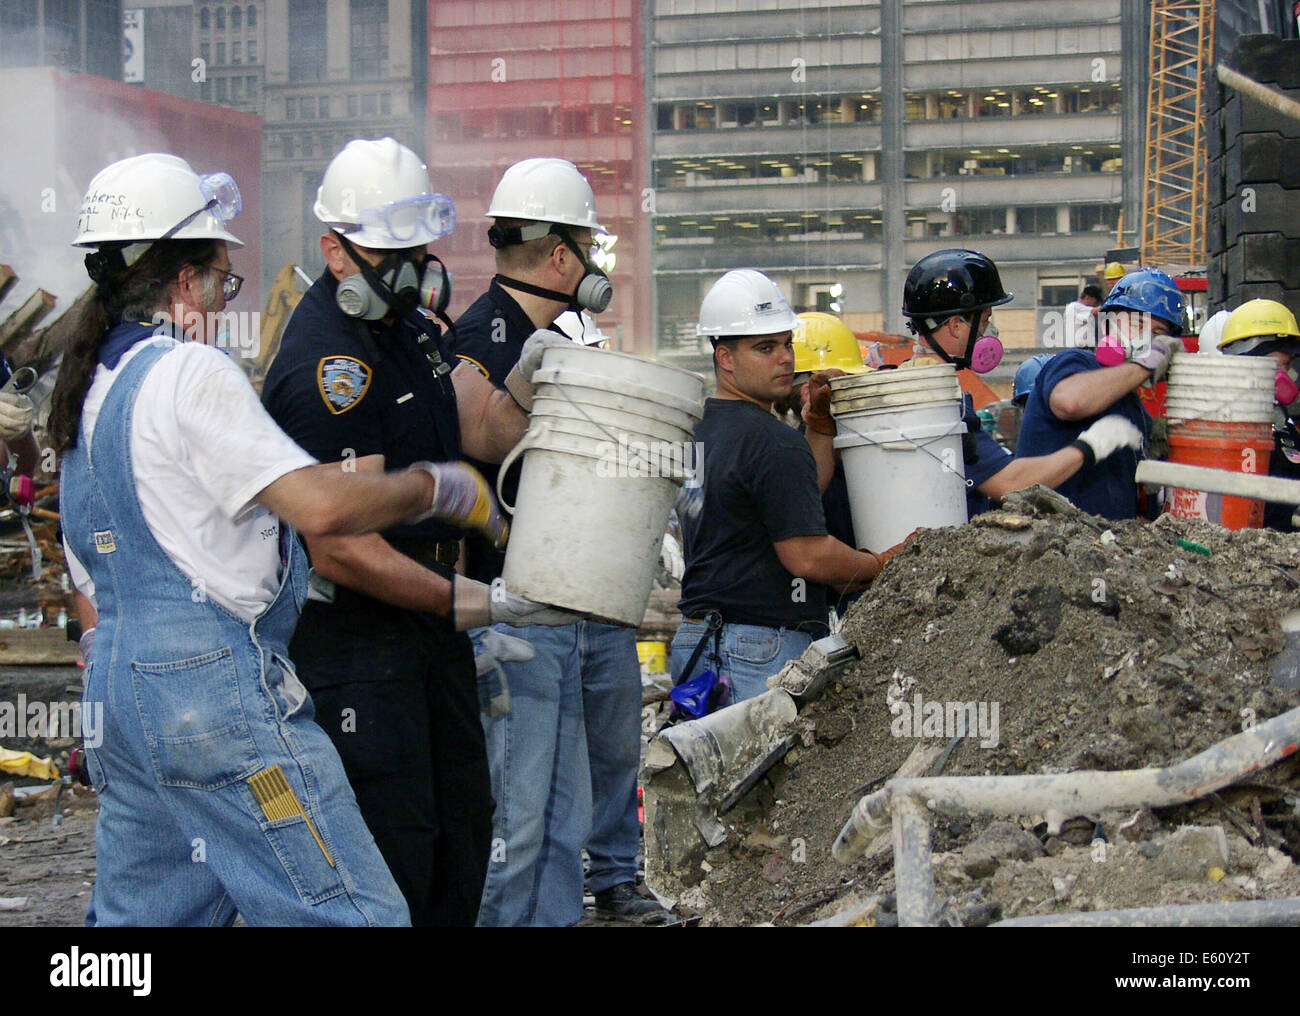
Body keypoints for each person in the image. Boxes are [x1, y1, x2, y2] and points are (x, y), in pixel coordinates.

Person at [53, 153, 498, 926]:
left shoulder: (88, 388)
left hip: (122, 697)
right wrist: (431, 487)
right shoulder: (189, 372)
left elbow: (90, 574)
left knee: (145, 922)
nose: (228, 295)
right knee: (350, 912)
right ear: (185, 279)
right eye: (224, 279)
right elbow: (317, 507)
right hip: (216, 702)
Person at [261, 139, 575, 927]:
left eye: (417, 250)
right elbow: (338, 543)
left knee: (462, 841)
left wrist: (532, 375)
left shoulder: (409, 330)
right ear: (335, 250)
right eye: (387, 253)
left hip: (431, 638)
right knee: (397, 853)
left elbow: (476, 440)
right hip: (363, 652)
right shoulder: (326, 365)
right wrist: (468, 601)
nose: (409, 268)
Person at [449, 157, 669, 926]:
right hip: (514, 608)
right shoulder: (482, 337)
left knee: (561, 817)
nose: (597, 263)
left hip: (562, 601)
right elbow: (476, 444)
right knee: (518, 820)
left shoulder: (560, 337)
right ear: (560, 257)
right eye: (589, 246)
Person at [671, 270, 905, 705]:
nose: (784, 358)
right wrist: (879, 565)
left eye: (785, 343)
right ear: (725, 357)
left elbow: (791, 499)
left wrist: (818, 426)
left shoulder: (701, 429)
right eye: (765, 347)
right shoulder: (771, 440)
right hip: (759, 650)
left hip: (699, 642)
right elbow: (806, 554)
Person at [902, 249, 1146, 518]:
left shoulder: (909, 381)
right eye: (984, 321)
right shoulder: (936, 400)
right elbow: (1012, 484)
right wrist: (1090, 446)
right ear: (956, 326)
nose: (989, 333)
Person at [1015, 267, 1185, 519]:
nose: (1148, 338)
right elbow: (1070, 402)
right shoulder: (1074, 362)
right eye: (1138, 324)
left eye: (1159, 333)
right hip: (1052, 541)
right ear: (1108, 324)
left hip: (1104, 547)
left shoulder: (1133, 406)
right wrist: (1144, 365)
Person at [1216, 298, 1300, 531]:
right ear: (1249, 358)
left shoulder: (1279, 418)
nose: (1291, 375)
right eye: (1284, 364)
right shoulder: (1225, 424)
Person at [1064, 284, 1103, 348]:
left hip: (1083, 348)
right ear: (1088, 298)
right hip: (1079, 349)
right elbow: (1095, 311)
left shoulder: (1079, 308)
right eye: (1096, 302)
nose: (1096, 305)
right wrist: (1110, 303)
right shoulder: (1075, 306)